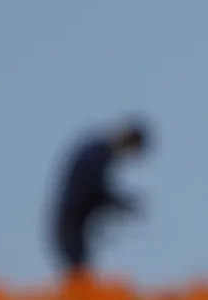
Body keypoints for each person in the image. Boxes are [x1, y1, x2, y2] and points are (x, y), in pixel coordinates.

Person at [49, 117, 151, 281]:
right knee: (78, 273)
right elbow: (91, 189)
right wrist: (119, 203)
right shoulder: (97, 154)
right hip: (71, 222)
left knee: (79, 268)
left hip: (74, 222)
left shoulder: (97, 152)